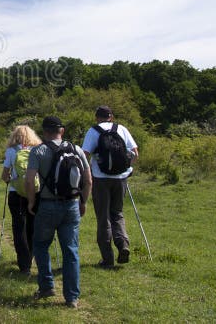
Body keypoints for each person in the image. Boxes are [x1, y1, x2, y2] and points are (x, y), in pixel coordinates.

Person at [26, 116, 91, 308]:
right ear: (61, 130)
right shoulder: (76, 149)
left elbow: (29, 180)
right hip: (71, 205)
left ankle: (46, 286)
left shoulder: (38, 151)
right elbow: (88, 181)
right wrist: (84, 202)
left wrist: (31, 202)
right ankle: (72, 298)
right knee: (71, 251)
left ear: (44, 132)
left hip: (46, 205)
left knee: (40, 245)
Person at [81, 105, 139, 268]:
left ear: (96, 117)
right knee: (117, 213)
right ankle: (123, 245)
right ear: (111, 117)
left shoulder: (93, 131)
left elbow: (84, 155)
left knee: (103, 216)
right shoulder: (121, 129)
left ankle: (107, 259)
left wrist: (86, 174)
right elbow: (135, 152)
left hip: (100, 178)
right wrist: (127, 169)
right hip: (120, 178)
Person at [1, 125, 42, 275]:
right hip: (35, 192)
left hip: (16, 193)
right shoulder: (37, 150)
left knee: (19, 228)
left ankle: (24, 265)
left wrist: (11, 180)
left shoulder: (11, 151)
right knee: (32, 226)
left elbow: (4, 175)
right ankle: (31, 255)